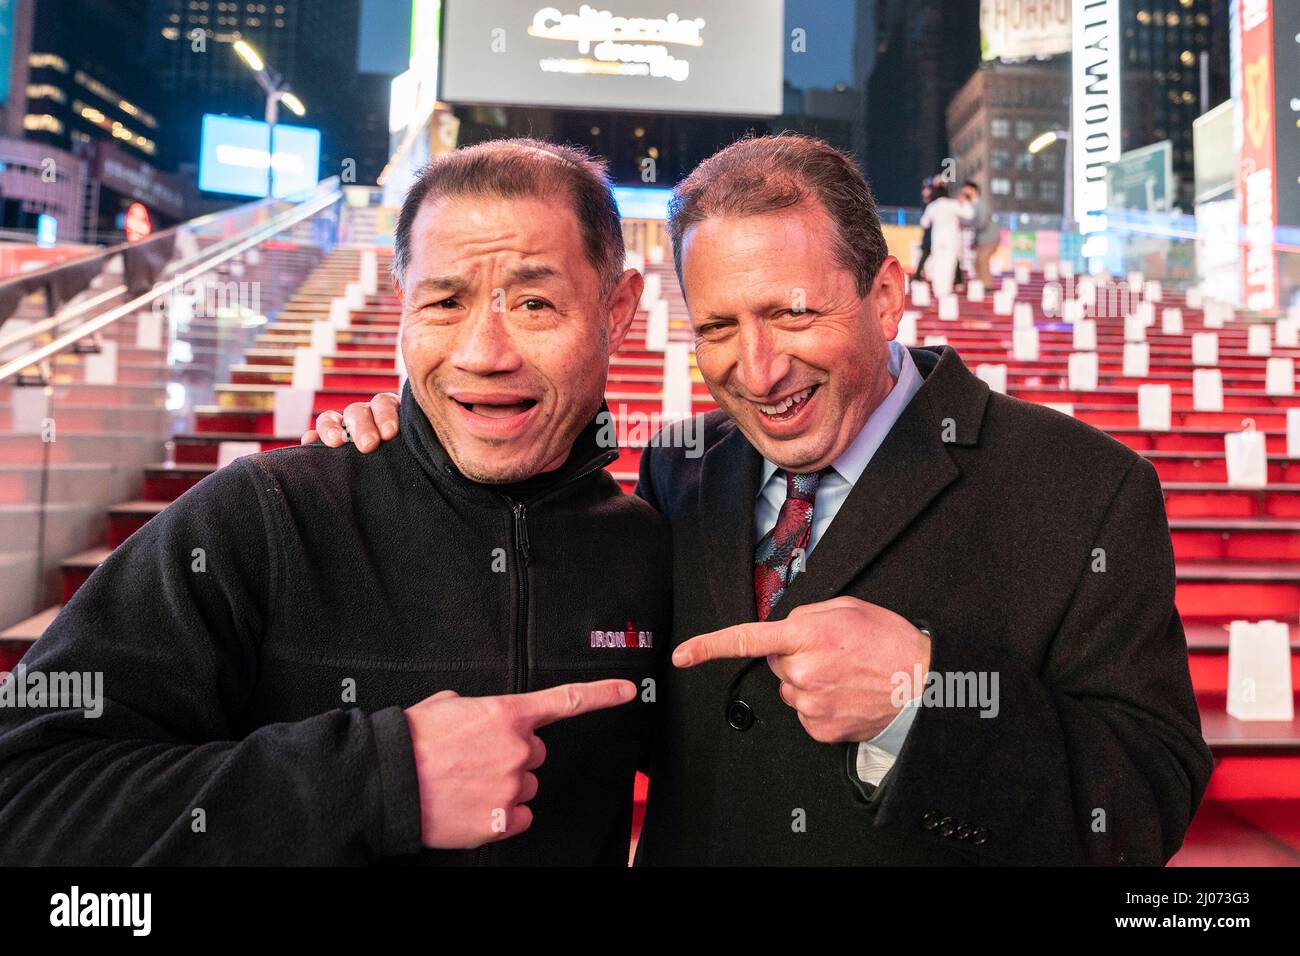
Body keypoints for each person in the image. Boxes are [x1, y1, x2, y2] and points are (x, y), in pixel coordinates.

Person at [312, 134, 1214, 866]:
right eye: (717, 327)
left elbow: (1143, 803)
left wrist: (921, 701)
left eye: (792, 314)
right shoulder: (683, 465)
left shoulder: (1084, 487)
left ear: (887, 295)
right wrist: (420, 439)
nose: (759, 367)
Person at [0, 139, 671, 866]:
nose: (483, 352)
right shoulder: (262, 516)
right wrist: (380, 779)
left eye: (536, 303)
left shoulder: (650, 551)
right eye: (445, 301)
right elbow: (26, 795)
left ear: (619, 309)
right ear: (402, 307)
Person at [918, 180, 970, 298]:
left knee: (938, 264)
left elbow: (924, 222)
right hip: (951, 240)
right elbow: (968, 214)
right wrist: (964, 202)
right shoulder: (952, 204)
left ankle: (938, 291)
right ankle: (945, 291)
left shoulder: (933, 205)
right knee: (949, 265)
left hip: (937, 240)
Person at [961, 180, 998, 288]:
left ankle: (987, 286)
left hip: (989, 238)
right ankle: (980, 285)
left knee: (982, 260)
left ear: (973, 190)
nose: (964, 191)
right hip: (982, 239)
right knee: (976, 262)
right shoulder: (973, 204)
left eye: (966, 188)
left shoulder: (979, 204)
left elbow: (981, 222)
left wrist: (966, 224)